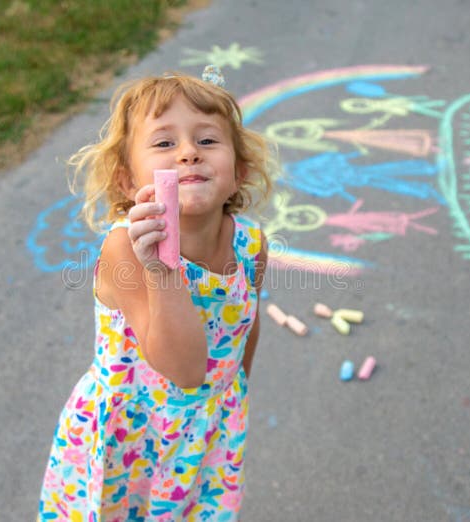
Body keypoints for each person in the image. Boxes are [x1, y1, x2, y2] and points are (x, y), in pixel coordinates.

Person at [38, 67, 275, 521]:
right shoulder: (124, 248)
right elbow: (185, 370)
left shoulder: (250, 245)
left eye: (207, 141)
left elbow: (246, 326)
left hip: (205, 436)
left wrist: (234, 394)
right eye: (165, 143)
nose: (188, 153)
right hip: (130, 439)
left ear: (238, 173)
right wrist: (162, 269)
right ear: (128, 181)